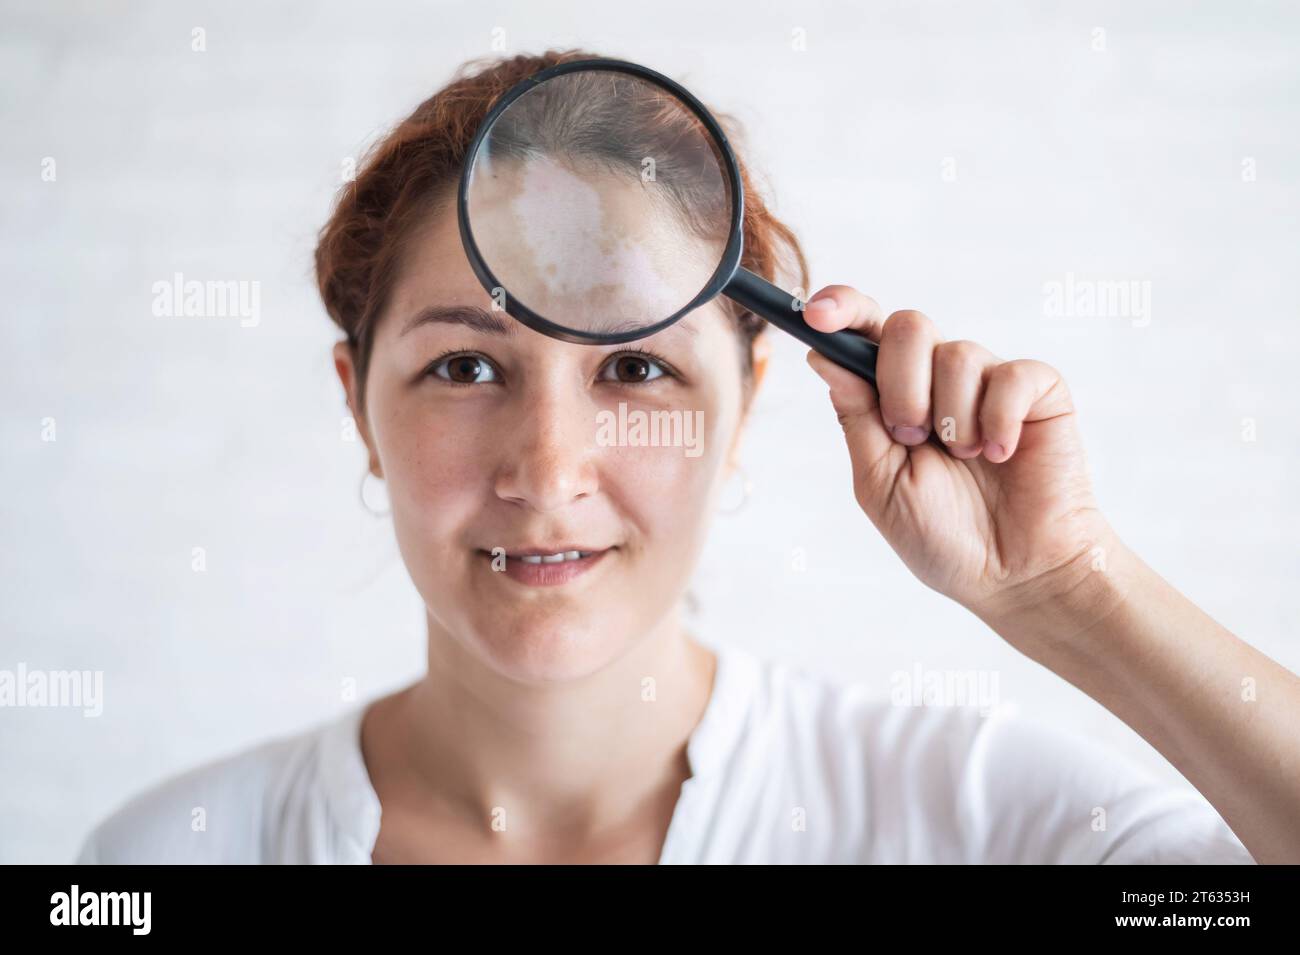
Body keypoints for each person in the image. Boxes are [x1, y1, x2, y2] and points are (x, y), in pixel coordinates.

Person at [76, 48, 1298, 865]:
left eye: (635, 368)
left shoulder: (983, 822)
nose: (549, 471)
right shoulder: (167, 855)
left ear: (744, 407)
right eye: (465, 369)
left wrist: (1073, 590)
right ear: (359, 410)